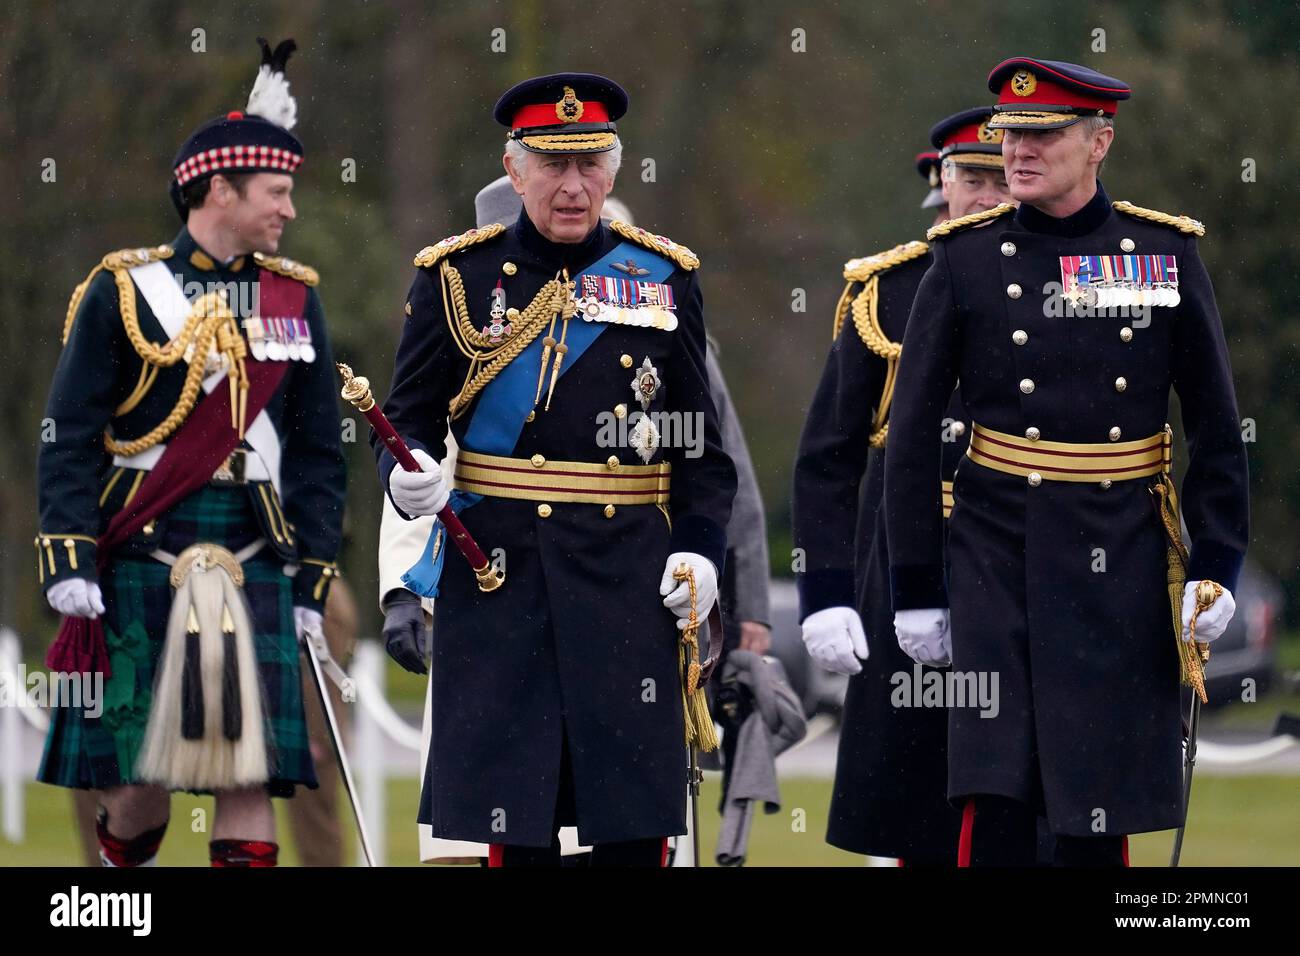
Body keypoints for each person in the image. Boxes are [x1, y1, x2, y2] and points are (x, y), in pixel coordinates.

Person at [884, 57, 1249, 866]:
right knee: (997, 787)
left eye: (1043, 135)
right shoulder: (963, 257)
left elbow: (1218, 428)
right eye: (1010, 133)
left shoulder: (1163, 254)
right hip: (995, 550)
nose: (1017, 149)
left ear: (1100, 143)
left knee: (1097, 794)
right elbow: (910, 439)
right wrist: (917, 588)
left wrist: (1216, 562)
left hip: (1119, 553)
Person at [375, 72, 736, 867]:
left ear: (614, 171)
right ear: (514, 170)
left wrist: (703, 552)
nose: (572, 188)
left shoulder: (663, 276)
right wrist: (406, 477)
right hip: (503, 582)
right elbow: (406, 418)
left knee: (634, 833)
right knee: (517, 829)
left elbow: (703, 455)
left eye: (590, 166)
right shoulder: (456, 279)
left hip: (629, 583)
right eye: (551, 165)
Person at [36, 38, 345, 868]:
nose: (288, 210)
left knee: (250, 776)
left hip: (257, 550)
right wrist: (68, 557)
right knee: (138, 784)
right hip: (141, 544)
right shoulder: (124, 291)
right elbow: (67, 435)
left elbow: (320, 453)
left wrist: (313, 574)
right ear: (219, 188)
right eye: (276, 192)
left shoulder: (294, 299)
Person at [792, 107, 1009, 865]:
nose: (988, 195)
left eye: (1002, 177)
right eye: (972, 178)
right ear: (940, 184)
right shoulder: (884, 292)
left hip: (1025, 564)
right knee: (915, 805)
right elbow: (827, 457)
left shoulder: (1062, 281)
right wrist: (825, 592)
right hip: (905, 566)